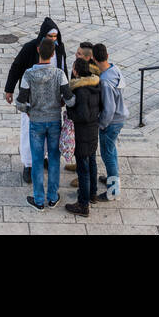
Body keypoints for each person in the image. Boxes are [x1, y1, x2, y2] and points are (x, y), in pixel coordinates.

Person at [4, 18, 67, 183]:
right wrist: (9, 89)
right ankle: (29, 164)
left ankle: (43, 157)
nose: (53, 40)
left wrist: (63, 95)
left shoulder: (59, 49)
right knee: (28, 133)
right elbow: (17, 67)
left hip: (52, 101)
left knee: (49, 134)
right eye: (50, 36)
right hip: (32, 101)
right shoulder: (30, 48)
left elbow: (63, 68)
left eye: (55, 36)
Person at [15, 36, 74, 211]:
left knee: (37, 160)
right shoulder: (59, 74)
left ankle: (39, 200)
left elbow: (20, 103)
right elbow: (70, 100)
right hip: (54, 121)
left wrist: (29, 110)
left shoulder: (28, 75)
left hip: (36, 122)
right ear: (53, 53)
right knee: (54, 159)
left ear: (38, 51)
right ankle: (53, 197)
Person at [65, 58, 102, 216]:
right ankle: (92, 194)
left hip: (82, 135)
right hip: (93, 132)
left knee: (83, 171)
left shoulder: (80, 91)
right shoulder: (96, 85)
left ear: (75, 71)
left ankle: (83, 205)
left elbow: (83, 115)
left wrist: (69, 113)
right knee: (92, 163)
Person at [93, 43, 126, 202]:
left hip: (111, 122)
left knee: (108, 155)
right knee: (111, 152)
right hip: (119, 117)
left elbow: (109, 109)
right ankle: (113, 179)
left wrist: (101, 124)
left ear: (94, 58)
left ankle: (113, 191)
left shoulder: (105, 81)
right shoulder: (114, 69)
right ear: (107, 55)